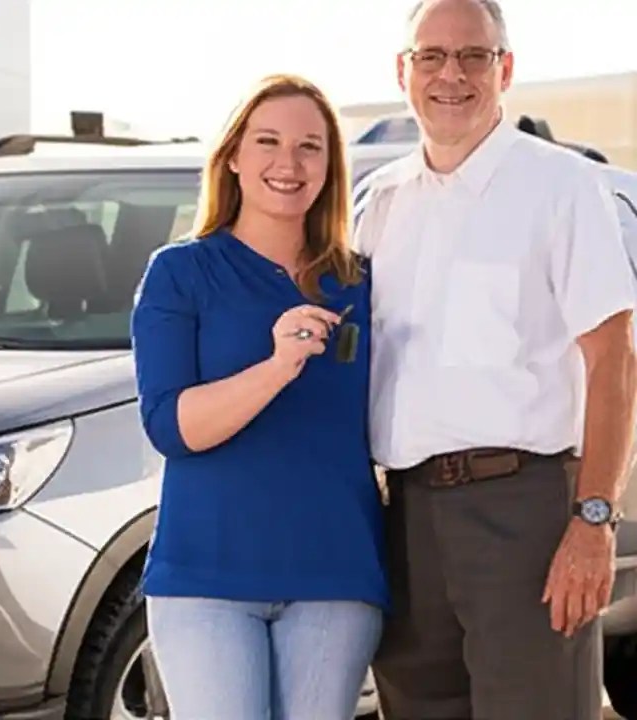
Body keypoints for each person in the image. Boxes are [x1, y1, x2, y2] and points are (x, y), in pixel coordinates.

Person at [352, 1, 637, 718]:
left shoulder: (564, 189)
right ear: (403, 71)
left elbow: (615, 361)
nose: (452, 74)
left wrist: (594, 521)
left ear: (505, 69)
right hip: (405, 520)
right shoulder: (377, 205)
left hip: (528, 516)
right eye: (431, 56)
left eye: (474, 56)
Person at [130, 73, 388, 719]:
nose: (289, 162)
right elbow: (171, 427)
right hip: (205, 579)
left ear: (331, 167)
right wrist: (277, 366)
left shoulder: (361, 282)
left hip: (334, 575)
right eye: (268, 140)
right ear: (234, 158)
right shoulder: (179, 273)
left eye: (311, 147)